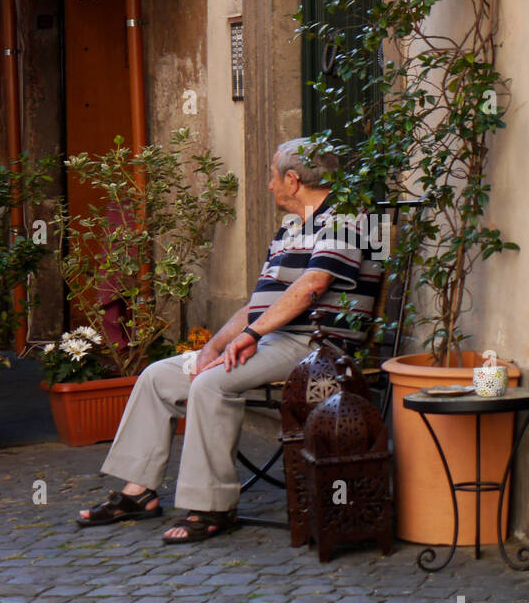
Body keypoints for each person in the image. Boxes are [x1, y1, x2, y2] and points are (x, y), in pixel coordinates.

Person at [77, 138, 378, 543]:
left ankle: (212, 506)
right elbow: (260, 302)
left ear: (292, 180)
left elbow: (313, 285)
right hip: (276, 338)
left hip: (317, 346)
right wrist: (216, 345)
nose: (269, 187)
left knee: (212, 383)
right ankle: (138, 492)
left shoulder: (348, 217)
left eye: (273, 178)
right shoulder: (291, 228)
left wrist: (253, 335)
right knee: (159, 376)